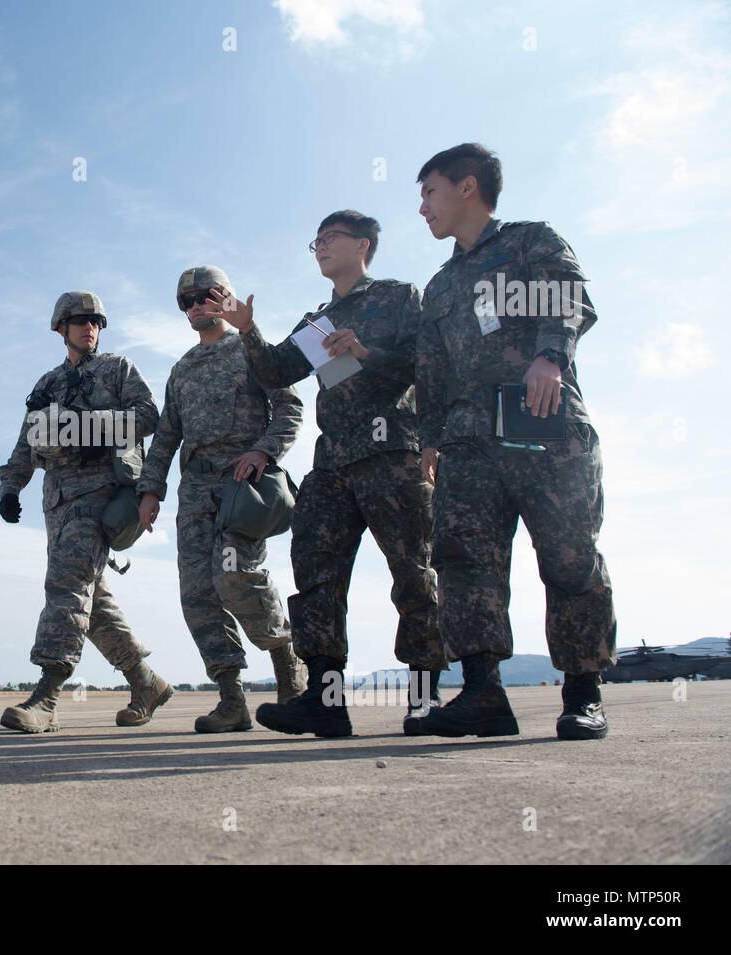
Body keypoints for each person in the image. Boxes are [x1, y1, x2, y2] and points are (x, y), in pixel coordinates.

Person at [209, 213, 448, 737]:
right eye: (315, 241)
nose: (319, 247)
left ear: (363, 244)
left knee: (413, 573)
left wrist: (365, 352)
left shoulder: (397, 297)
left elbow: (427, 365)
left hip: (392, 454)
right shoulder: (317, 321)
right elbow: (277, 371)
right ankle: (325, 701)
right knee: (316, 575)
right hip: (332, 463)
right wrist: (247, 331)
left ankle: (426, 697)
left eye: (329, 238)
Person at [409, 143, 615, 739]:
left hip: (541, 423)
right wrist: (429, 439)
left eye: (429, 192)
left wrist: (551, 355)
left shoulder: (529, 242)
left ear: (467, 186)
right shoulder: (440, 285)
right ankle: (482, 695)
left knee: (568, 556)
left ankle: (583, 694)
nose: (423, 208)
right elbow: (430, 369)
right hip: (466, 441)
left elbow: (569, 297)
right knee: (463, 562)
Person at [137, 266, 305, 733]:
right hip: (194, 491)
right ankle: (231, 700)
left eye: (204, 296)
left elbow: (290, 408)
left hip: (241, 485)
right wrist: (150, 490)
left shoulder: (252, 349)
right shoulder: (182, 370)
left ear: (225, 298)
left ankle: (288, 665)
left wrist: (264, 451)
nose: (195, 306)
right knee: (197, 593)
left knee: (234, 574)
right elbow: (166, 436)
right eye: (186, 301)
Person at [0, 291, 174, 733]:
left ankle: (47, 694)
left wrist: (91, 427)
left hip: (100, 495)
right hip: (56, 502)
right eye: (79, 321)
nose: (89, 327)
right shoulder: (48, 384)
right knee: (91, 602)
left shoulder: (117, 369)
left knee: (66, 586)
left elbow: (148, 416)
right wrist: (10, 486)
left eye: (96, 321)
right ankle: (146, 682)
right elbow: (27, 441)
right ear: (61, 328)